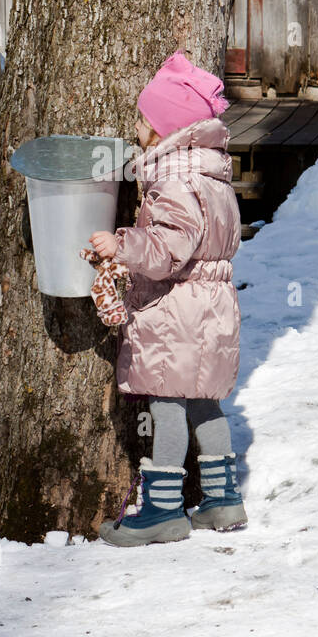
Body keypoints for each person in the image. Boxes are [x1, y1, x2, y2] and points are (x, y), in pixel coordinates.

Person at [88, 51, 245, 547]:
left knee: (169, 405)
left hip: (179, 311)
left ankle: (162, 511)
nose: (136, 126)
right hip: (211, 308)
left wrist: (122, 245)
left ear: (163, 130)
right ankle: (222, 501)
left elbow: (168, 250)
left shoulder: (175, 181)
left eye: (142, 119)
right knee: (204, 403)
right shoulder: (211, 176)